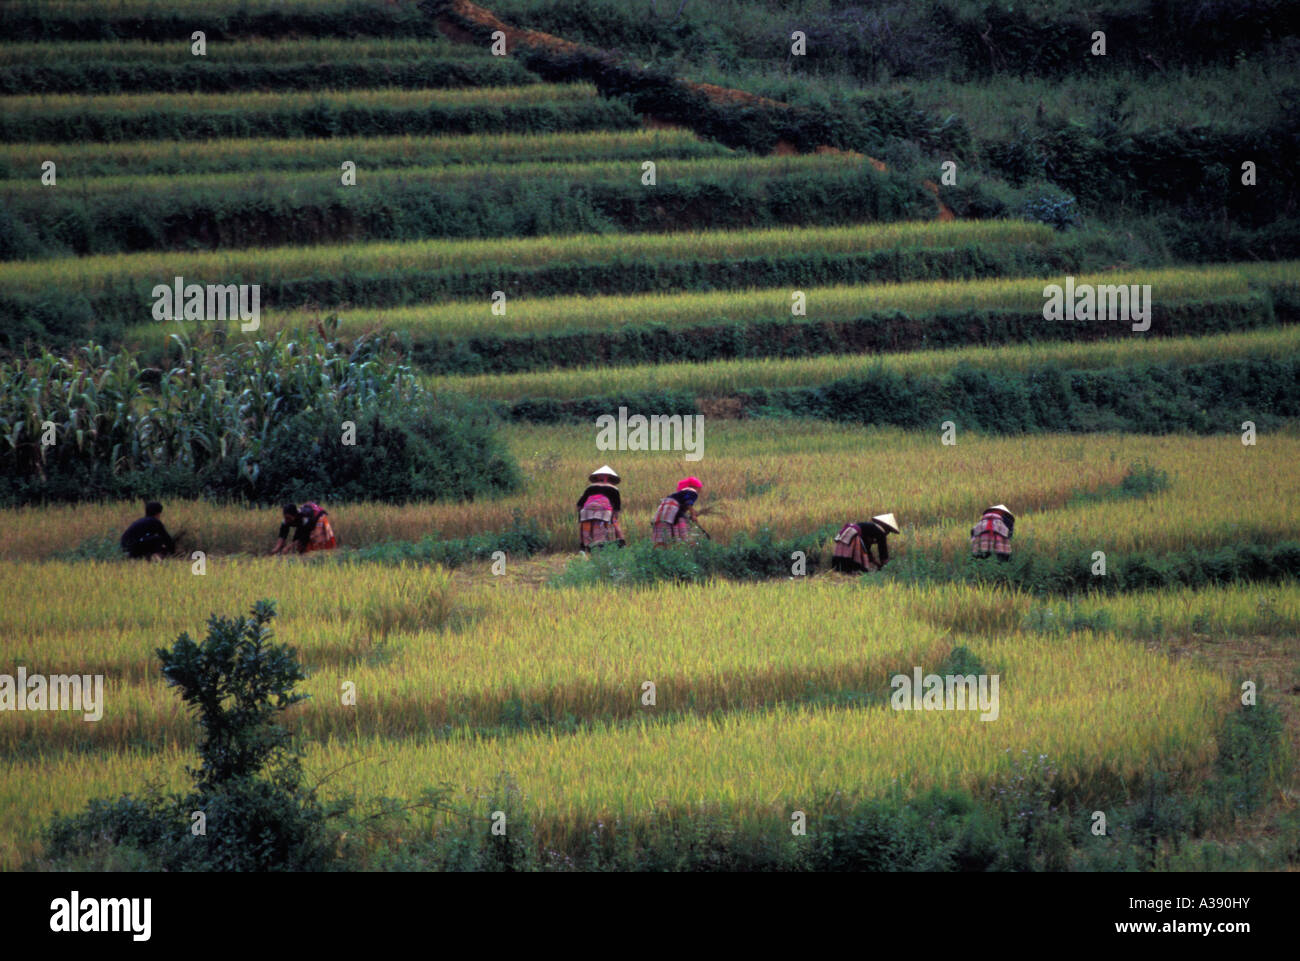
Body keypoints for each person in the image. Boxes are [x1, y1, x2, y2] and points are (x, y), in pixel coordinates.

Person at [577, 464, 625, 551]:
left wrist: (580, 516)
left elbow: (580, 504)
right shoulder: (614, 488)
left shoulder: (590, 487)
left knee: (587, 529)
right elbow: (617, 507)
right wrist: (614, 519)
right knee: (600, 530)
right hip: (603, 510)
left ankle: (585, 548)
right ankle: (601, 547)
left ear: (597, 477)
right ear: (610, 478)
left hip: (586, 510)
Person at [831, 513, 899, 574]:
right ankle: (852, 571)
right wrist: (886, 567)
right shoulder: (881, 533)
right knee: (859, 561)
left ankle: (841, 570)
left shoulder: (871, 528)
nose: (888, 533)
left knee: (845, 552)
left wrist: (875, 563)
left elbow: (866, 547)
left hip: (847, 532)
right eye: (889, 531)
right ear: (887, 528)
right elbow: (883, 552)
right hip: (855, 535)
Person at [651, 477, 702, 546]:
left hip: (663, 511)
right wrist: (693, 515)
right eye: (700, 488)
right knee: (684, 535)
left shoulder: (681, 493)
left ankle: (658, 551)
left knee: (664, 534)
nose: (700, 490)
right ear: (695, 487)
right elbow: (688, 502)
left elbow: (684, 505)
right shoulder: (692, 491)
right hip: (671, 510)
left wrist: (693, 512)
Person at [272, 501, 337, 555]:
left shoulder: (304, 518)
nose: (287, 520)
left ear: (295, 515)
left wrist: (288, 548)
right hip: (304, 521)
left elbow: (303, 537)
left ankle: (323, 554)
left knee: (314, 538)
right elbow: (282, 536)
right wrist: (276, 549)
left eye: (289, 518)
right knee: (296, 544)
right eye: (285, 518)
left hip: (317, 517)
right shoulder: (286, 520)